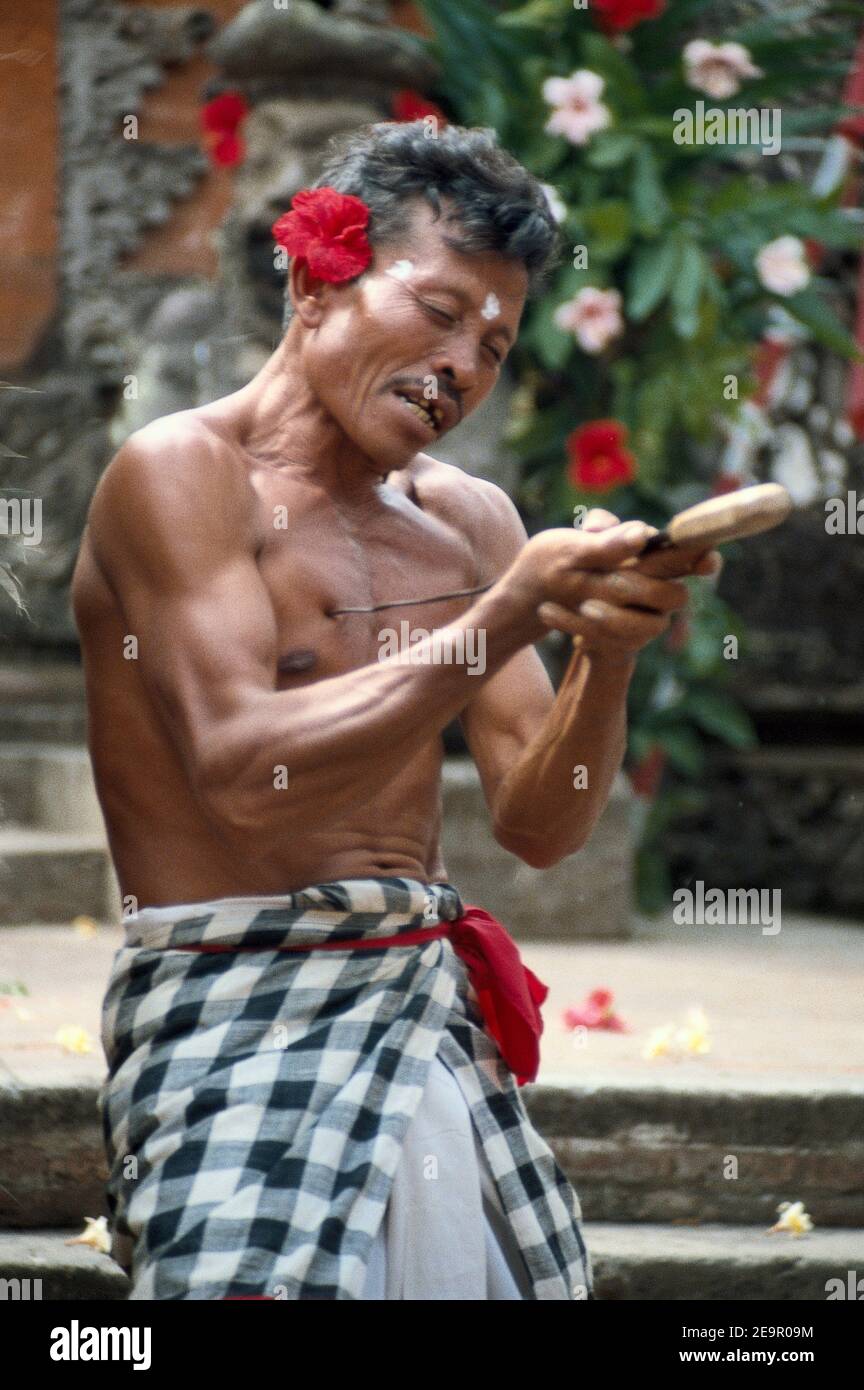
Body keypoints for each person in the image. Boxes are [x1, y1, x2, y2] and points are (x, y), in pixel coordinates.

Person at [72, 120, 719, 1301]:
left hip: (418, 1009)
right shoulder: (179, 473)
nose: (463, 363)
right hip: (230, 1013)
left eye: (496, 341)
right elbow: (238, 767)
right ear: (321, 277)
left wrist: (608, 658)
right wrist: (505, 616)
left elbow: (542, 825)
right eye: (439, 309)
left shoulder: (472, 522)